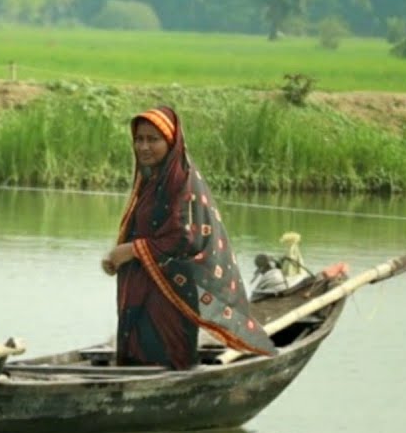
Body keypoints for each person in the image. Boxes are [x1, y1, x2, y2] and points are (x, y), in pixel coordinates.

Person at [100, 106, 275, 370]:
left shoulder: (180, 181)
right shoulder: (151, 179)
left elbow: (185, 238)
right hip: (141, 285)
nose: (144, 147)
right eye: (139, 139)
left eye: (153, 139)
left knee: (166, 355)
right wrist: (116, 258)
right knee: (135, 355)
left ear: (170, 142)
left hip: (171, 292)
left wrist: (130, 251)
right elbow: (143, 229)